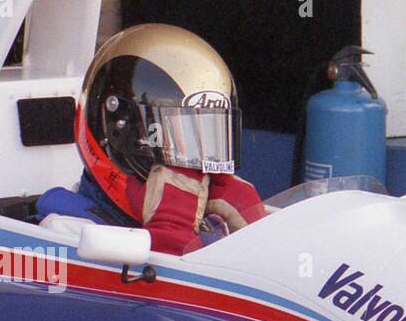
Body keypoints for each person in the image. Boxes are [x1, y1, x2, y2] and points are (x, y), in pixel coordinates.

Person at [43, 23, 266, 255]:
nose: (197, 167)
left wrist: (256, 235)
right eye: (179, 139)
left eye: (208, 139)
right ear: (118, 132)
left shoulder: (214, 224)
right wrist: (170, 237)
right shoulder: (65, 233)